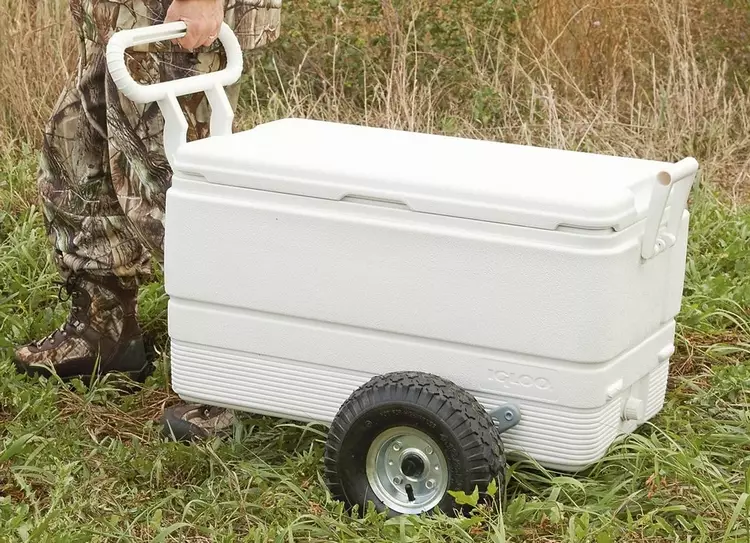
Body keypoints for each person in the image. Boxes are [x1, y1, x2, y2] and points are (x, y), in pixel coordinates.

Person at [12, 0, 282, 440]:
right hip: (124, 14)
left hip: (176, 15)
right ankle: (106, 329)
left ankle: (230, 375)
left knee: (174, 181)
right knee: (79, 146)